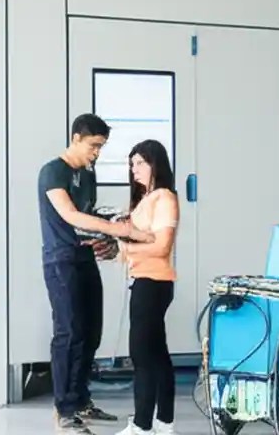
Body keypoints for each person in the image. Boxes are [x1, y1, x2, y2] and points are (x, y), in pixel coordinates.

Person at [39, 114, 148, 434]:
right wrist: (120, 230)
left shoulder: (88, 173)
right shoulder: (53, 171)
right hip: (61, 260)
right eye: (93, 145)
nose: (97, 152)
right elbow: (70, 215)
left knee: (91, 332)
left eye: (101, 146)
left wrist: (110, 236)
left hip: (85, 257)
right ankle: (64, 409)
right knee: (69, 332)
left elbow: (88, 215)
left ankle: (81, 401)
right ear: (76, 138)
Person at [117, 139, 180, 435]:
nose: (134, 169)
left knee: (141, 355)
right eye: (132, 164)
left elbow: (162, 246)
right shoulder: (146, 198)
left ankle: (142, 426)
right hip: (146, 281)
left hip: (153, 282)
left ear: (156, 163)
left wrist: (127, 249)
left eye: (140, 163)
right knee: (156, 354)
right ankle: (164, 423)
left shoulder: (164, 198)